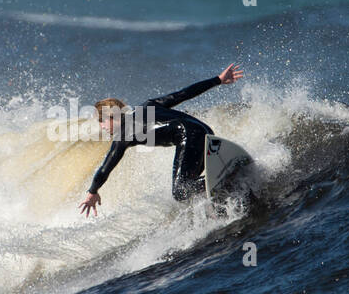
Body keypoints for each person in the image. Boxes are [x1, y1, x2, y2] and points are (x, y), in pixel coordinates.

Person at [79, 63, 244, 217]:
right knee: (193, 183)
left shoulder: (123, 134)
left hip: (188, 135)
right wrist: (218, 80)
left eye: (101, 121)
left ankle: (231, 175)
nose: (102, 127)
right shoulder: (147, 105)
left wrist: (92, 191)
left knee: (181, 192)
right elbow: (183, 94)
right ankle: (222, 197)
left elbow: (105, 168)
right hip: (204, 130)